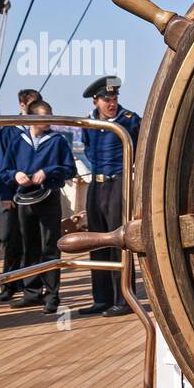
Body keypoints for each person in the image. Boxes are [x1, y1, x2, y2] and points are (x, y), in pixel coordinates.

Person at [0, 100, 76, 314]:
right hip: (24, 199)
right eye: (44, 117)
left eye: (50, 115)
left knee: (49, 247)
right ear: (32, 118)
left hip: (48, 197)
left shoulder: (57, 141)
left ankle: (52, 296)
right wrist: (15, 175)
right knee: (28, 247)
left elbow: (70, 170)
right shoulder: (17, 142)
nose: (49, 120)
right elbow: (4, 170)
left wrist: (48, 171)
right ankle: (31, 292)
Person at [81, 76, 140, 316]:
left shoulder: (130, 121)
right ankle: (102, 298)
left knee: (119, 241)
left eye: (114, 98)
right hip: (97, 186)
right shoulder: (89, 123)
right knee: (97, 241)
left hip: (119, 184)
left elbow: (142, 148)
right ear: (96, 101)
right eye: (106, 99)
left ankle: (123, 298)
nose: (111, 103)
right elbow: (87, 149)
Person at [0, 89, 41, 303]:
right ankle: (9, 284)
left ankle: (31, 285)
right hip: (13, 192)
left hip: (36, 194)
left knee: (32, 241)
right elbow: (3, 165)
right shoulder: (9, 131)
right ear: (22, 105)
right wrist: (4, 193)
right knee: (11, 240)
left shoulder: (41, 129)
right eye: (31, 105)